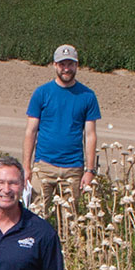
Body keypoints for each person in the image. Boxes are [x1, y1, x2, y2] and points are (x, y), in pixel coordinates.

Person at [21, 44, 101, 200]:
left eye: (70, 64)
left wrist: (90, 170)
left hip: (73, 169)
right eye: (62, 64)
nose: (66, 69)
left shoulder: (88, 96)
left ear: (76, 65)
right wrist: (26, 167)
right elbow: (30, 131)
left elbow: (90, 135)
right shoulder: (41, 93)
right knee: (37, 212)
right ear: (54, 65)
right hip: (43, 167)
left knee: (70, 214)